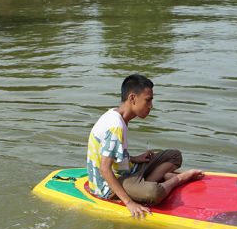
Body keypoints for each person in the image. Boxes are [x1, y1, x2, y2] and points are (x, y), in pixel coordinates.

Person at [86, 74, 204, 219]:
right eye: (148, 100)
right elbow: (104, 169)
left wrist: (135, 159)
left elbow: (112, 153)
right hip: (108, 186)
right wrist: (129, 203)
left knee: (174, 156)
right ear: (132, 98)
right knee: (154, 193)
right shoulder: (115, 126)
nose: (151, 106)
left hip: (127, 173)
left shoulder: (115, 114)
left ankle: (153, 179)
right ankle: (177, 179)